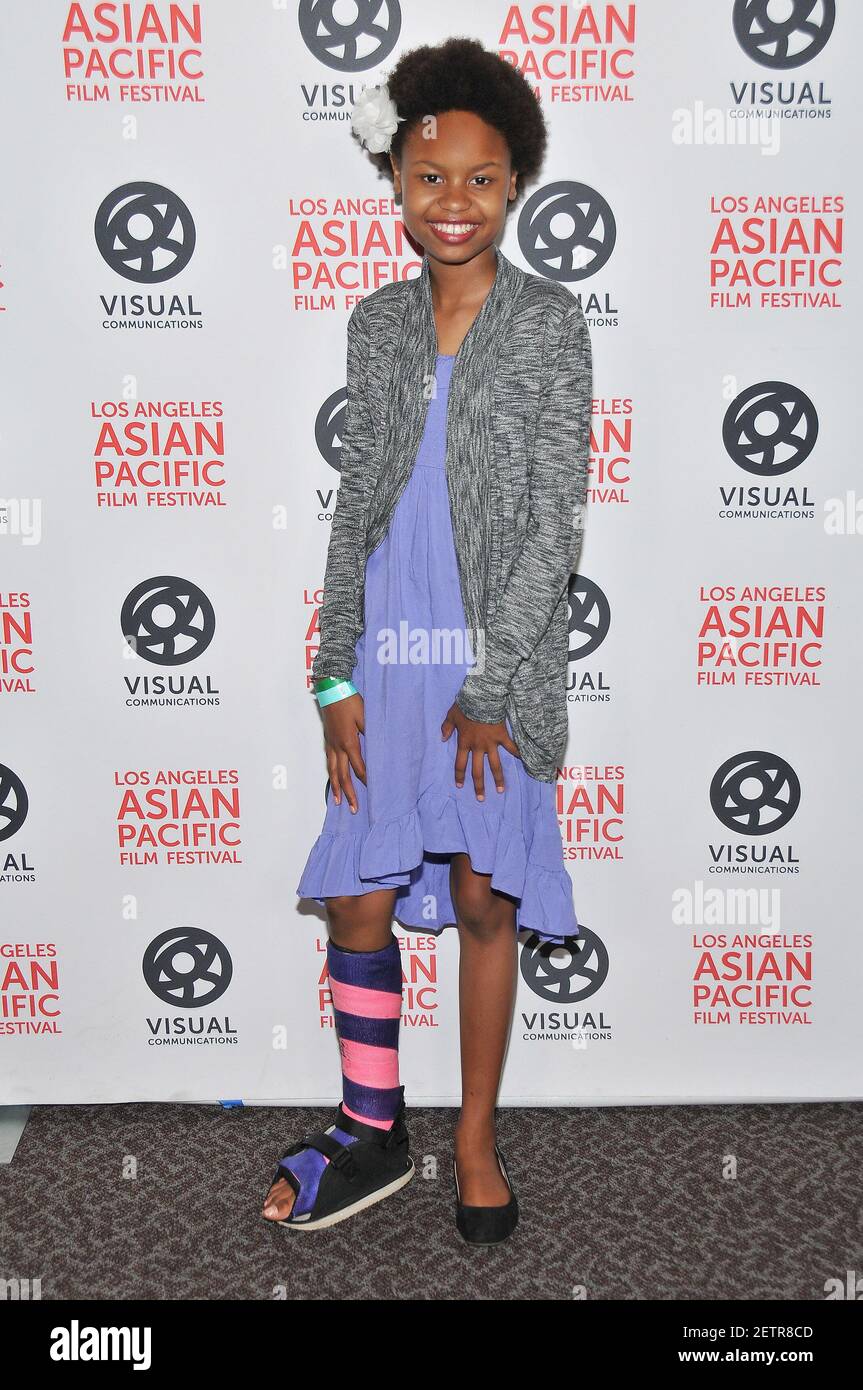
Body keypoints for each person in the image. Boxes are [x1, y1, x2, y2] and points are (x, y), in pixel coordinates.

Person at [262, 36, 592, 1243]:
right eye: (428, 177)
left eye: (480, 178)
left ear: (515, 187)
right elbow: (357, 505)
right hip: (385, 659)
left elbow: (552, 520)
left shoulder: (551, 324)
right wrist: (334, 667)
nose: (452, 201)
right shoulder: (378, 322)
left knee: (482, 899)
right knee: (356, 894)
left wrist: (495, 684)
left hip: (489, 669)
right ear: (395, 187)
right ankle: (371, 1122)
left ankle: (473, 1140)